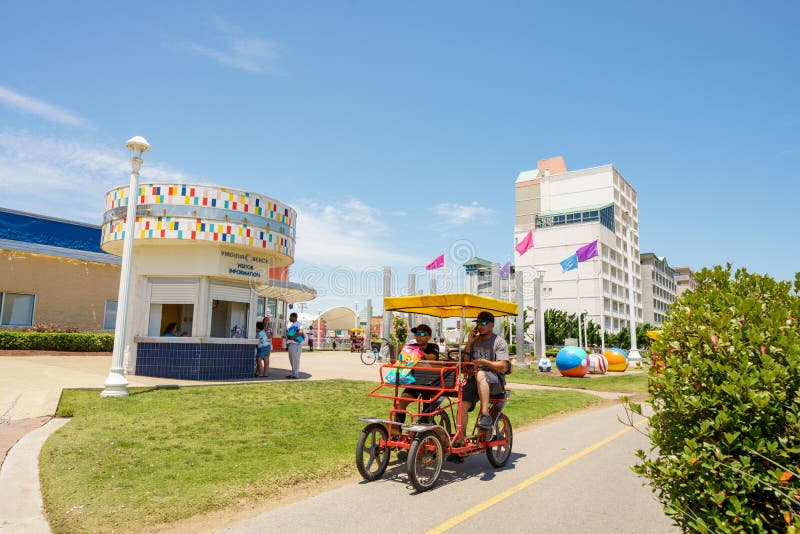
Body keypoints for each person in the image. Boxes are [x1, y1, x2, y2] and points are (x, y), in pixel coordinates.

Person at [461, 311, 510, 433]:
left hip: (494, 381)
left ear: (492, 325)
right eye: (478, 323)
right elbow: (466, 361)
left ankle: (485, 415)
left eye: (483, 323)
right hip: (474, 380)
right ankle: (460, 440)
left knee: (481, 374)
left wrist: (484, 362)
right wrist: (469, 343)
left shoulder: (499, 342)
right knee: (462, 406)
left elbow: (503, 366)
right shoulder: (474, 341)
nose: (480, 326)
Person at [393, 324, 443, 426]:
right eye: (416, 334)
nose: (418, 336)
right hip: (415, 381)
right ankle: (396, 430)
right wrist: (401, 350)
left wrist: (417, 352)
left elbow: (431, 357)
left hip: (430, 383)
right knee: (400, 403)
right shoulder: (412, 346)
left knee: (426, 410)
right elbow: (402, 358)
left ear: (429, 336)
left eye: (422, 334)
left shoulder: (433, 346)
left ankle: (426, 426)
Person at [285, 312, 303, 379]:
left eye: (290, 317)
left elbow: (301, 332)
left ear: (294, 317)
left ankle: (296, 375)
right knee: (292, 360)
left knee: (295, 360)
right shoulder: (292, 324)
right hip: (291, 344)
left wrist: (293, 337)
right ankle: (293, 374)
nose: (289, 318)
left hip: (296, 345)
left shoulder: (298, 324)